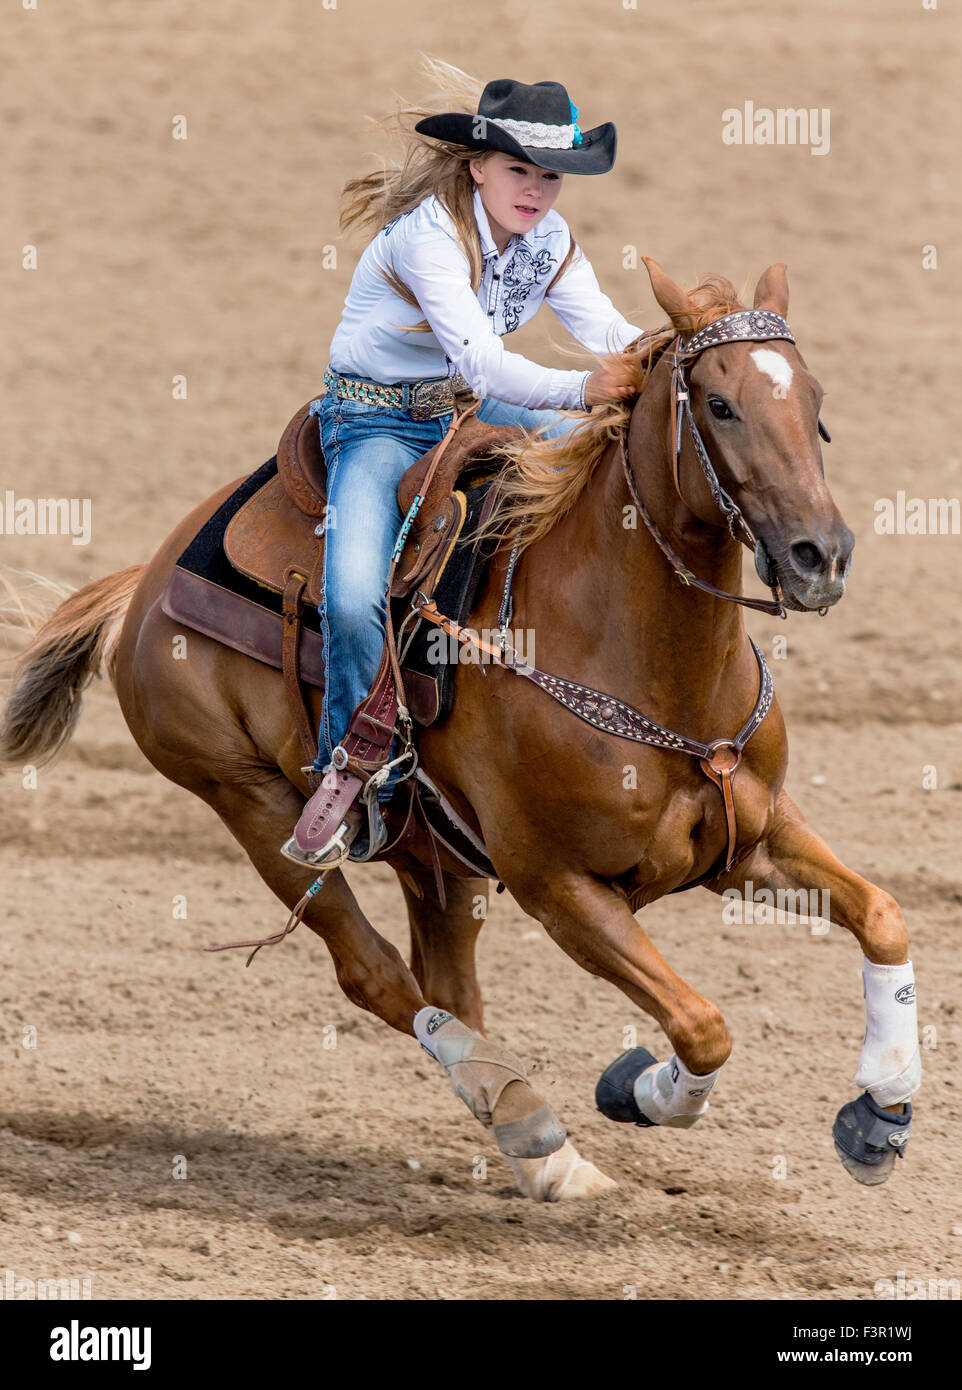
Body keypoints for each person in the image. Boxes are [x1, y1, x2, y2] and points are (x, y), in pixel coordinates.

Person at [282, 63, 643, 869]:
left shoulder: (547, 239)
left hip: (456, 412)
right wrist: (585, 390)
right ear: (478, 166)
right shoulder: (427, 239)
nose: (537, 191)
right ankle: (351, 774)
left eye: (549, 176)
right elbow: (483, 364)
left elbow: (611, 331)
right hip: (373, 422)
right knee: (349, 599)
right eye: (520, 170)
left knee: (598, 463)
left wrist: (685, 355)